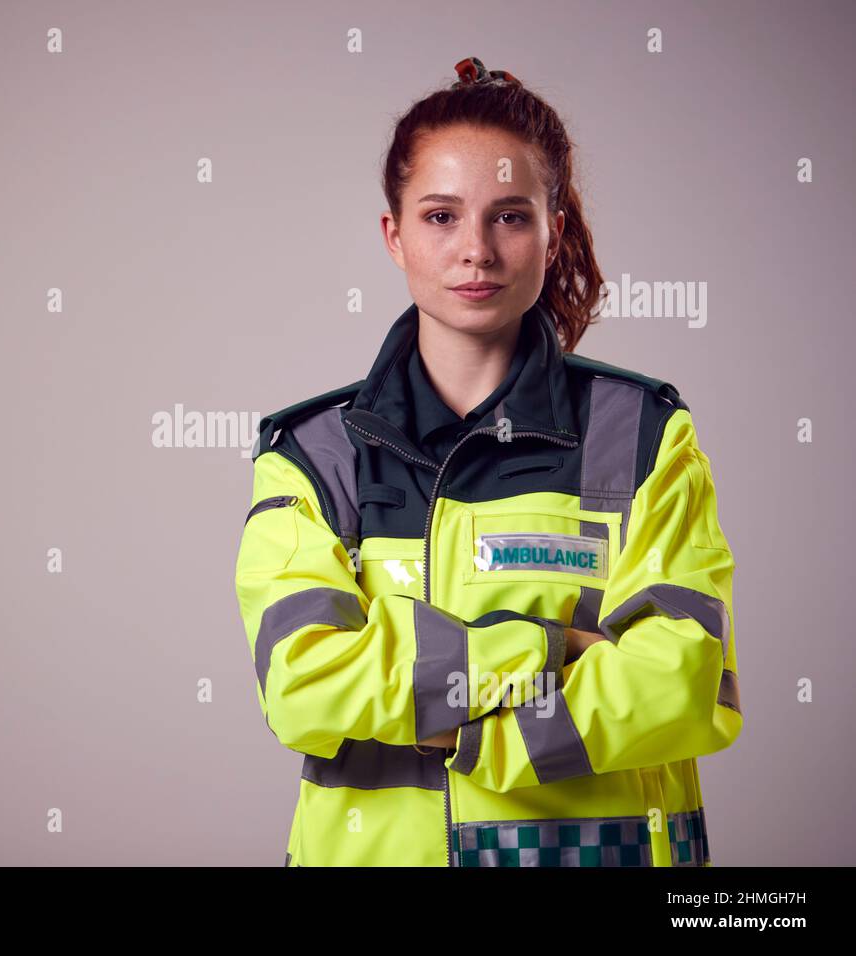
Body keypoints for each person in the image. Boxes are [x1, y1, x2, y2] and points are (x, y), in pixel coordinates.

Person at [234, 57, 741, 867]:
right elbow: (303, 689)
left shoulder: (643, 434)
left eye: (509, 216)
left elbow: (684, 686)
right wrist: (546, 646)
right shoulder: (315, 457)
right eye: (440, 216)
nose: (475, 250)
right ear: (394, 235)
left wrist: (465, 735)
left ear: (553, 234)